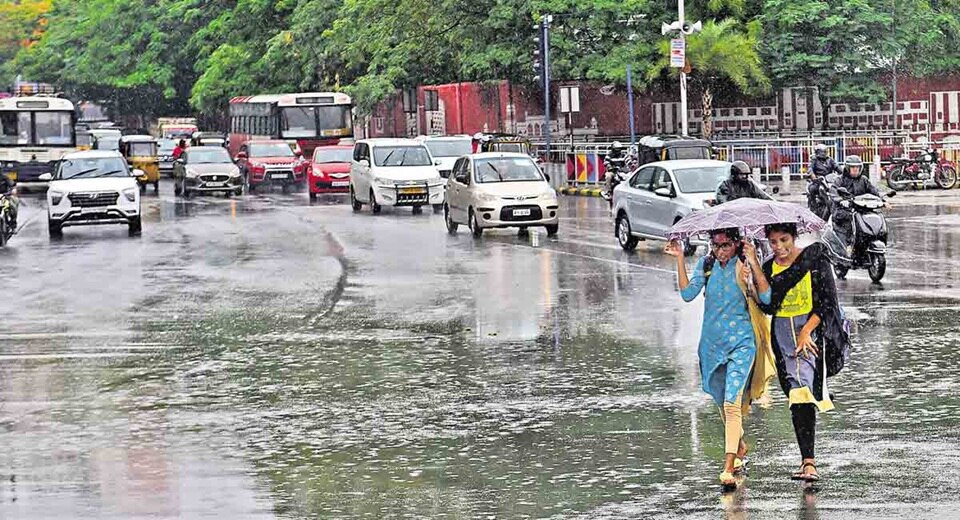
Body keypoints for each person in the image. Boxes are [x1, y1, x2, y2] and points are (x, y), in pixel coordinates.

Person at [666, 229, 776, 489]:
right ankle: (738, 445)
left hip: (742, 344)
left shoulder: (746, 264)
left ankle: (729, 466)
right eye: (715, 245)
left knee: (731, 403)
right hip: (712, 346)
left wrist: (753, 272)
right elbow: (687, 294)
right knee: (719, 398)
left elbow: (767, 299)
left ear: (736, 243)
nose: (720, 250)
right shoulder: (706, 265)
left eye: (725, 245)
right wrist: (680, 258)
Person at [749, 223, 849, 483]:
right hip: (782, 337)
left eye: (784, 240)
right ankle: (806, 460)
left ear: (794, 236)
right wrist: (753, 263)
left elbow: (827, 302)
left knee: (803, 391)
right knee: (794, 393)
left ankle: (809, 462)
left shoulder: (814, 259)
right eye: (773, 242)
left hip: (811, 333)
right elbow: (767, 303)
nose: (779, 247)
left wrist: (806, 332)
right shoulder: (769, 268)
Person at [832, 155, 880, 249]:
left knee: (875, 217)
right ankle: (847, 245)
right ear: (847, 168)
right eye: (853, 167)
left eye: (857, 167)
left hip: (861, 209)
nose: (855, 170)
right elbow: (834, 192)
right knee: (847, 222)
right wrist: (841, 200)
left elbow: (873, 190)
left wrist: (882, 200)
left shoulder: (864, 180)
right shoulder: (840, 180)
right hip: (844, 209)